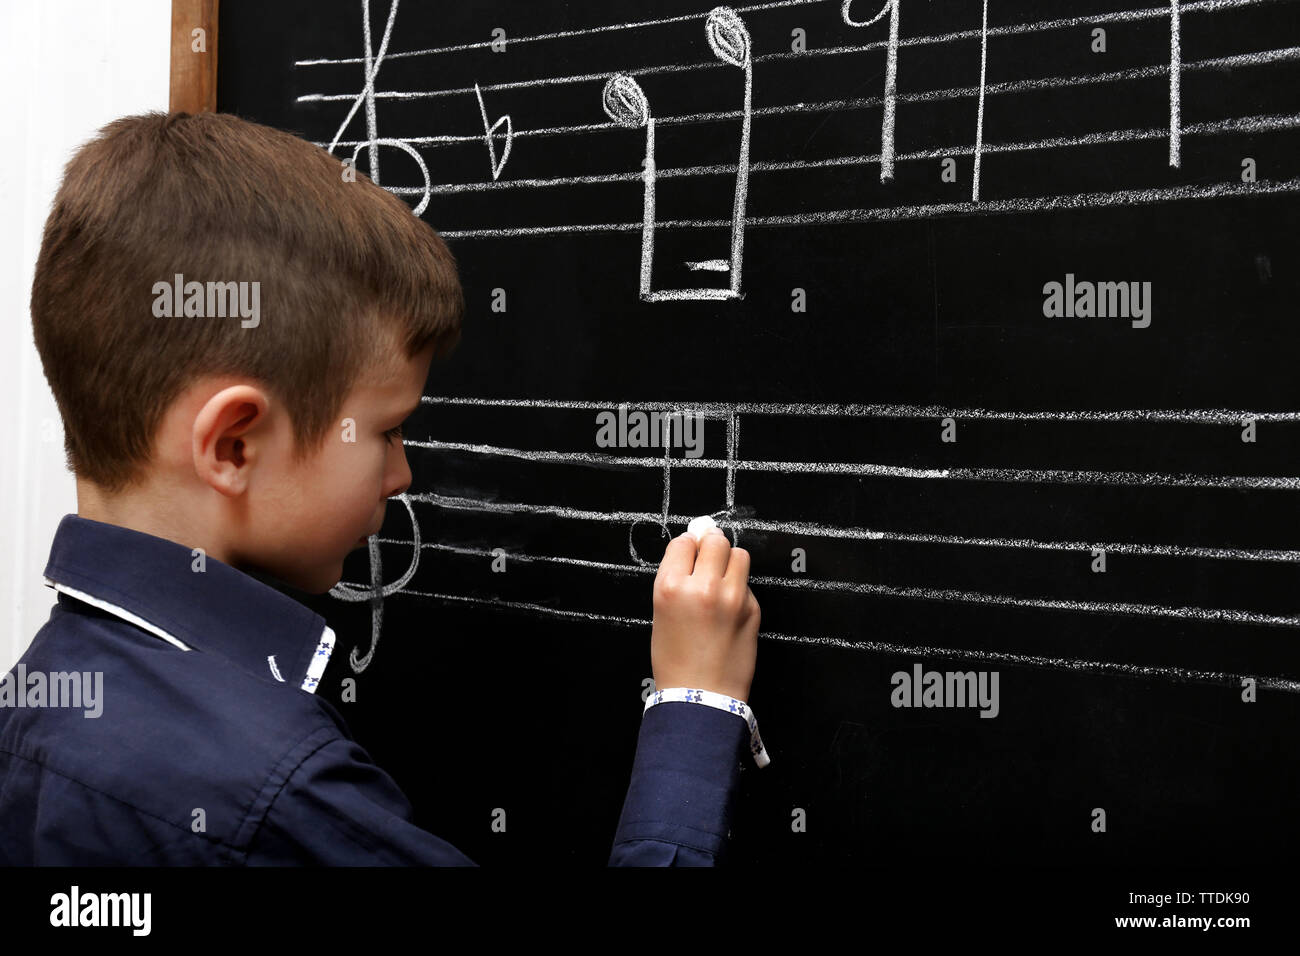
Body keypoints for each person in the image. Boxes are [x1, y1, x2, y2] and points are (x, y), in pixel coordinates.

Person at [0, 110, 764, 865]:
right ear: (234, 444)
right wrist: (696, 708)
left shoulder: (35, 698)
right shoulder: (284, 801)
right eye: (388, 431)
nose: (403, 473)